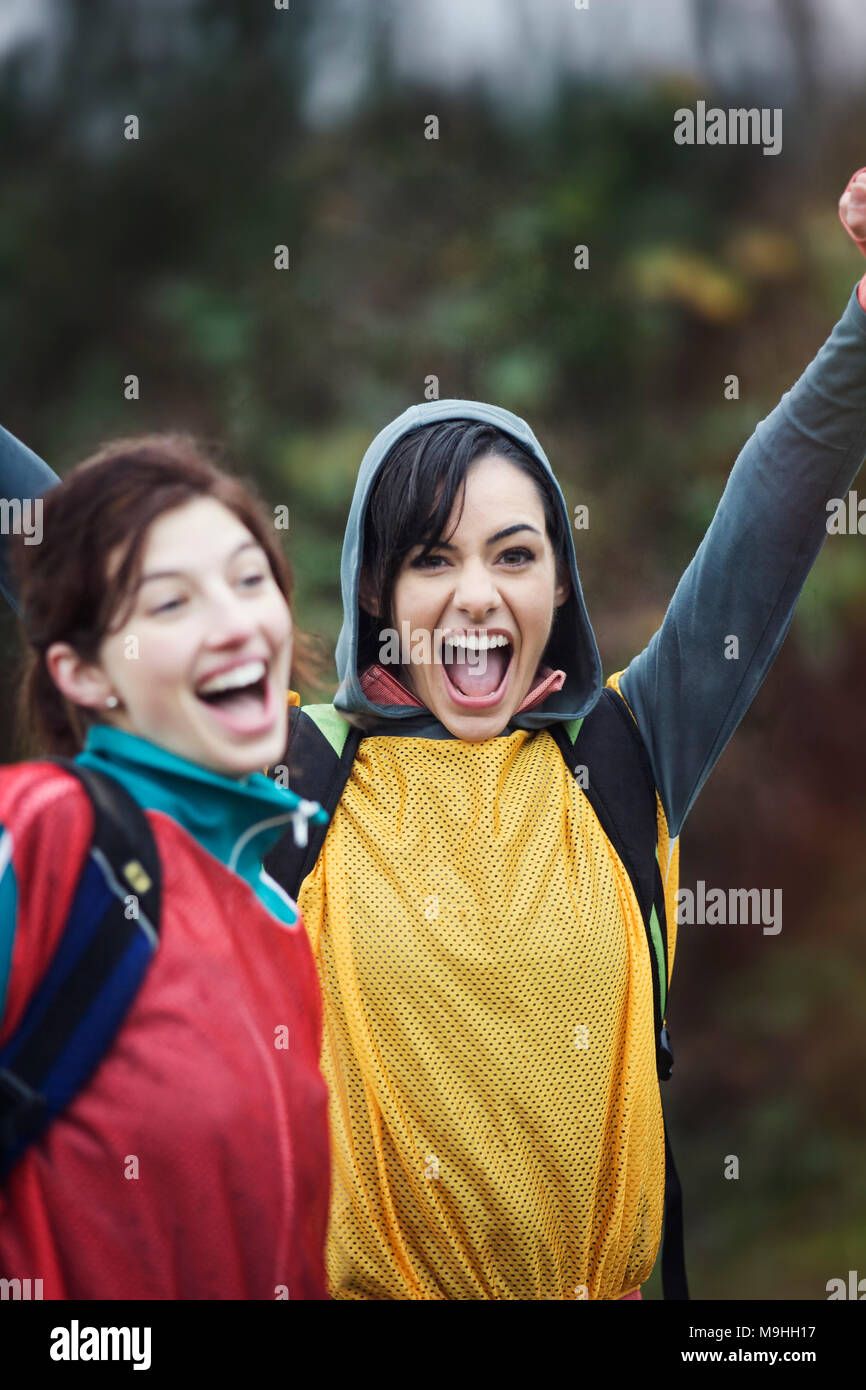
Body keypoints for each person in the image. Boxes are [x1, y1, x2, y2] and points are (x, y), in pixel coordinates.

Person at [3, 170, 866, 1302]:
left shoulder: (625, 751)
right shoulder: (289, 773)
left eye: (513, 555)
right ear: (375, 591)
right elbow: (81, 562)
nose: (474, 595)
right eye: (430, 558)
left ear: (558, 581)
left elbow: (773, 505)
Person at [0, 435, 331, 1299]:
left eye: (249, 578)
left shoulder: (277, 915)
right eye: (171, 603)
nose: (234, 621)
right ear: (81, 673)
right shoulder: (43, 835)